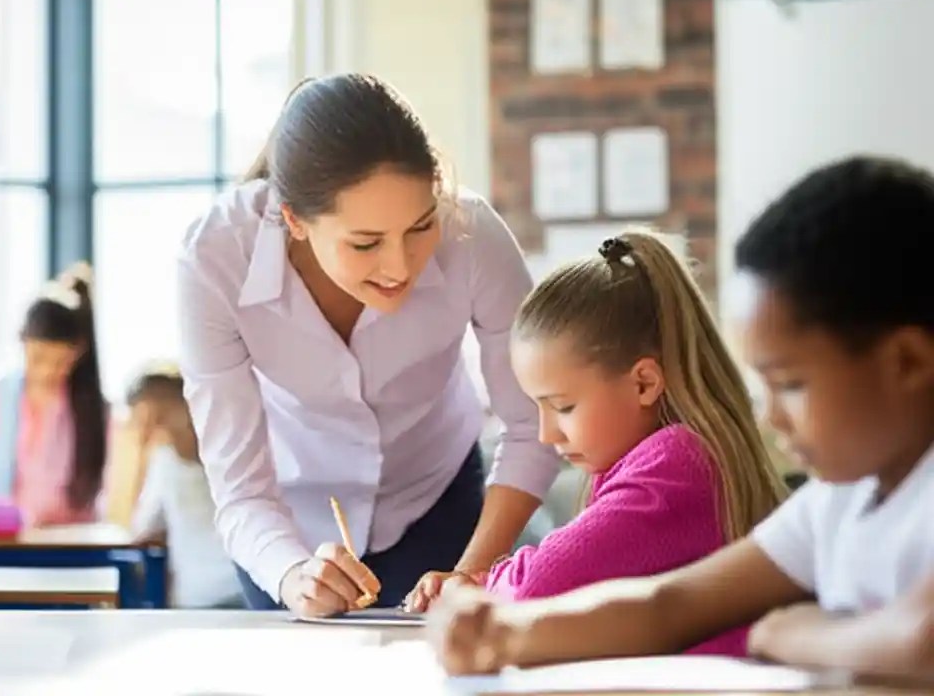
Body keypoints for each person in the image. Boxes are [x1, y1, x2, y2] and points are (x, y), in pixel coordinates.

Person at [427, 156, 934, 681]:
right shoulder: (836, 502)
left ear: (907, 363)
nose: (773, 418)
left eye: (790, 385)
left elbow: (922, 641)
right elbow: (668, 605)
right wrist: (505, 635)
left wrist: (788, 633)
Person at [177, 73, 557, 616]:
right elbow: (241, 491)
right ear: (294, 220)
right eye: (365, 243)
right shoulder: (215, 258)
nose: (400, 267)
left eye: (420, 227)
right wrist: (291, 574)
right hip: (284, 528)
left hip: (438, 502)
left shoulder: (474, 235)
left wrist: (471, 571)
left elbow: (532, 426)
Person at [407, 232, 785, 655]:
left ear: (644, 383)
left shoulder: (677, 464)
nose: (547, 435)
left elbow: (538, 588)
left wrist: (471, 589)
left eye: (563, 407)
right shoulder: (670, 460)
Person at [0, 264, 107, 527]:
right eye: (38, 358)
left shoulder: (95, 409)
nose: (47, 372)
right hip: (11, 537)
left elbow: (112, 492)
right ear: (22, 342)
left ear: (78, 353)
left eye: (60, 362)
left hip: (75, 539)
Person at [127, 364, 245, 609]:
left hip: (198, 598)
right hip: (251, 589)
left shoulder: (165, 462)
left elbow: (142, 528)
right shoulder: (236, 448)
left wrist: (140, 453)